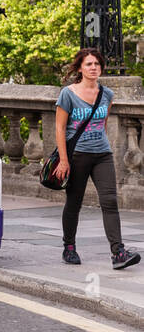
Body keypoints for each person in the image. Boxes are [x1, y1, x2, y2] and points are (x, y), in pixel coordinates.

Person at [54, 47, 140, 270]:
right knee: (74, 202)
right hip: (77, 155)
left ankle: (118, 252)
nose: (93, 68)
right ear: (80, 67)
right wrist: (64, 160)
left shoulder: (107, 95)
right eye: (89, 64)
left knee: (110, 201)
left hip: (102, 154)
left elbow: (102, 124)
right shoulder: (68, 94)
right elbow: (60, 128)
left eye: (97, 64)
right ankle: (69, 247)